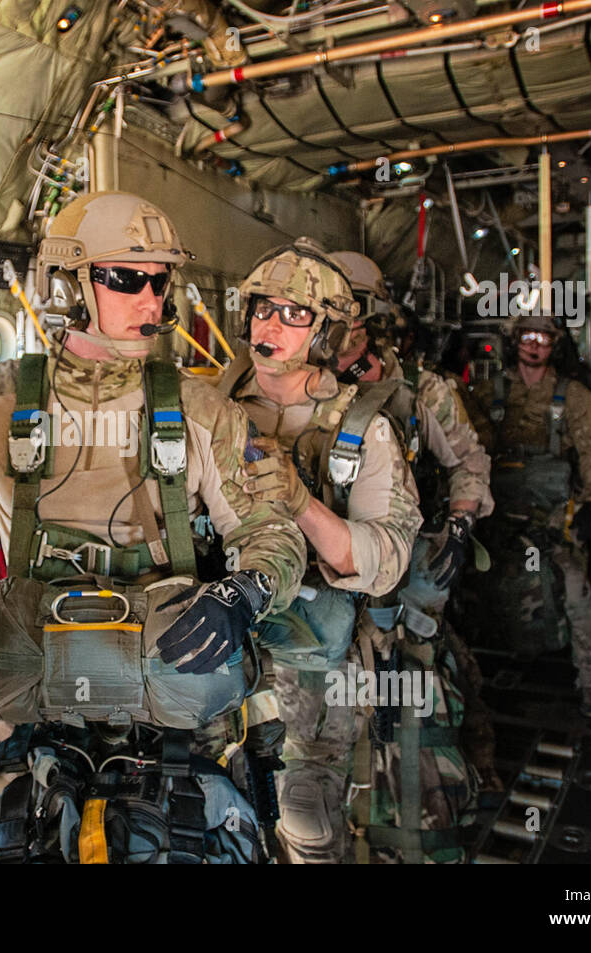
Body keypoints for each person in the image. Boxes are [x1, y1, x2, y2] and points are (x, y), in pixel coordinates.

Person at [0, 190, 308, 863]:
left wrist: (245, 591)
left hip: (170, 721)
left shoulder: (201, 413)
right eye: (129, 278)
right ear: (67, 288)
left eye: (162, 281)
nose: (154, 301)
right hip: (30, 717)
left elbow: (271, 530)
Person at [219, 239, 420, 863]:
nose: (270, 325)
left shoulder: (360, 425)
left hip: (313, 651)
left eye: (294, 314)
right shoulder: (207, 407)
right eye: (262, 309)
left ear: (328, 332)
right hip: (221, 642)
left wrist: (302, 503)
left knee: (306, 821)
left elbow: (384, 558)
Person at [329, 250, 501, 801]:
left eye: (348, 307)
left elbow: (469, 463)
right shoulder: (300, 392)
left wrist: (459, 523)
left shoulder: (421, 390)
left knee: (426, 666)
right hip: (331, 567)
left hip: (411, 561)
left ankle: (451, 785)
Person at [469, 312, 591, 717]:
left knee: (573, 584)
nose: (534, 345)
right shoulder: (486, 391)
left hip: (551, 516)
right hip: (494, 513)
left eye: (543, 339)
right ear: (515, 342)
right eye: (527, 337)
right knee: (461, 584)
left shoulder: (574, 397)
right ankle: (468, 680)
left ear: (554, 345)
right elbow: (463, 449)